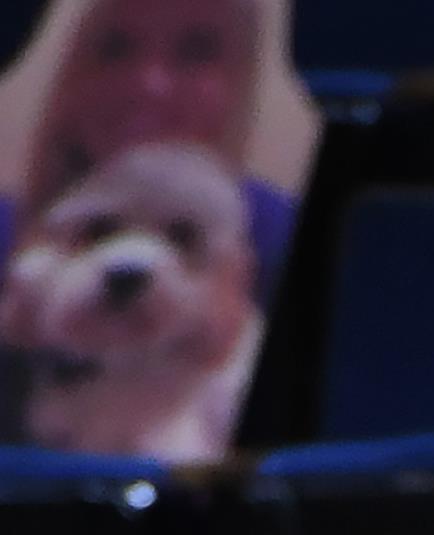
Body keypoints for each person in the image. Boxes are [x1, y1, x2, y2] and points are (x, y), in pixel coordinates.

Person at [0, 0, 296, 306]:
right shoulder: (5, 233)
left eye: (194, 53)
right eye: (117, 49)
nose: (149, 84)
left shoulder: (283, 240)